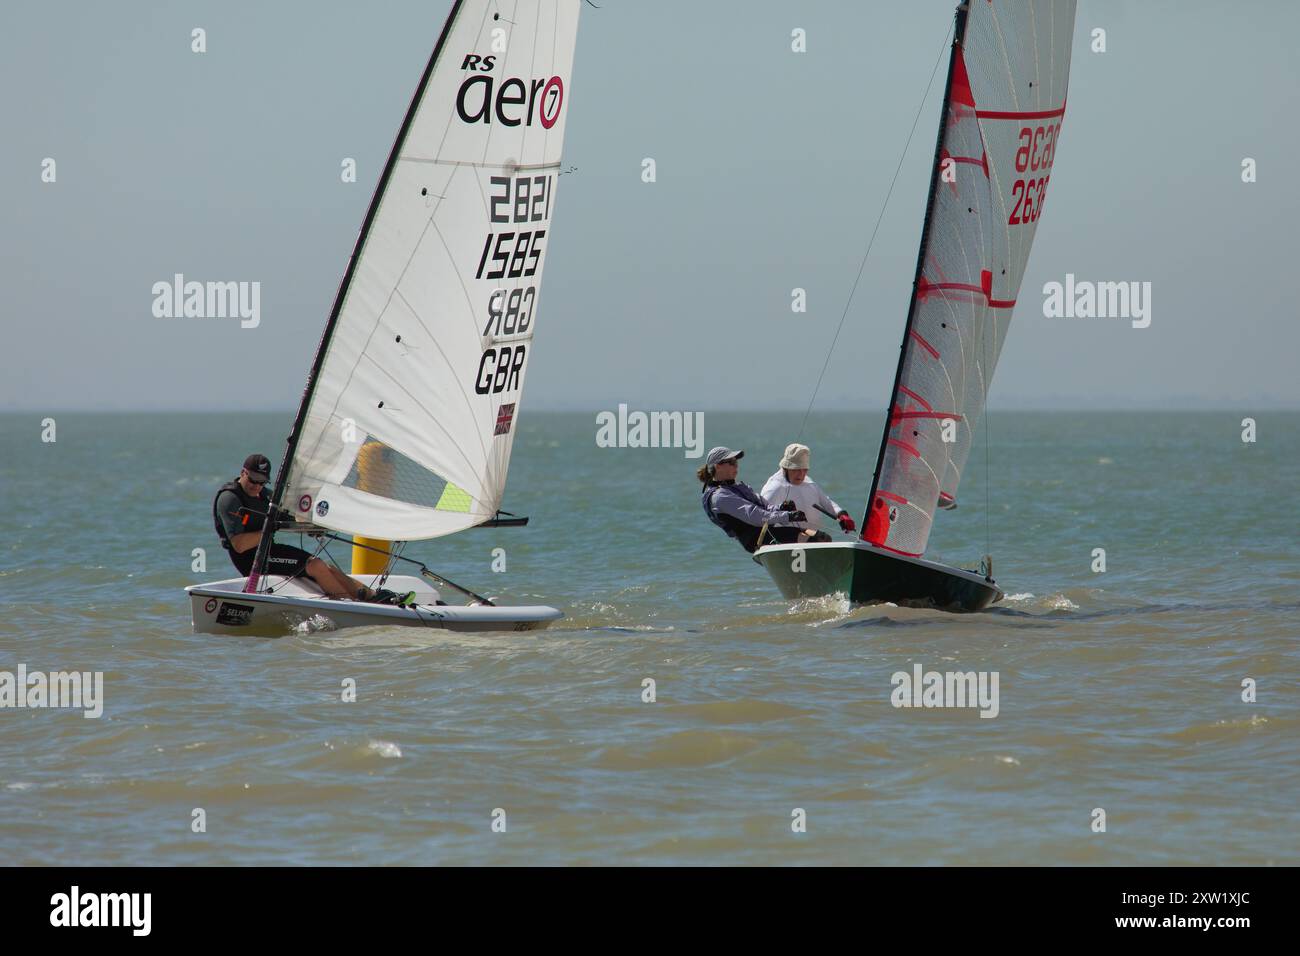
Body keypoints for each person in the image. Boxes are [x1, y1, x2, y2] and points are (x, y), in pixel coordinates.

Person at [213, 453, 413, 605]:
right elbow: (239, 545)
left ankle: (374, 597)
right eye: (253, 480)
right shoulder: (230, 498)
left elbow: (288, 520)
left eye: (262, 481)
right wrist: (271, 528)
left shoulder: (266, 497)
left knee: (326, 567)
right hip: (250, 560)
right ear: (243, 473)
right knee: (315, 566)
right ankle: (348, 605)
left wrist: (310, 528)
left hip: (268, 551)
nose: (257, 485)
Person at [697, 446, 825, 553]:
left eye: (736, 462)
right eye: (731, 462)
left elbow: (765, 507)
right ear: (718, 466)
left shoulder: (738, 487)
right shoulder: (719, 497)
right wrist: (788, 516)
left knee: (823, 538)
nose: (736, 466)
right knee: (815, 541)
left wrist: (781, 508)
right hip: (758, 539)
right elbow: (755, 515)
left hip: (770, 531)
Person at [760, 443, 856, 535]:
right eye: (796, 470)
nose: (801, 475)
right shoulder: (774, 487)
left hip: (812, 538)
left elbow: (827, 502)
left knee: (824, 538)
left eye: (804, 470)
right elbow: (761, 516)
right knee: (822, 538)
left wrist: (841, 514)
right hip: (784, 542)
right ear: (786, 467)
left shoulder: (809, 482)